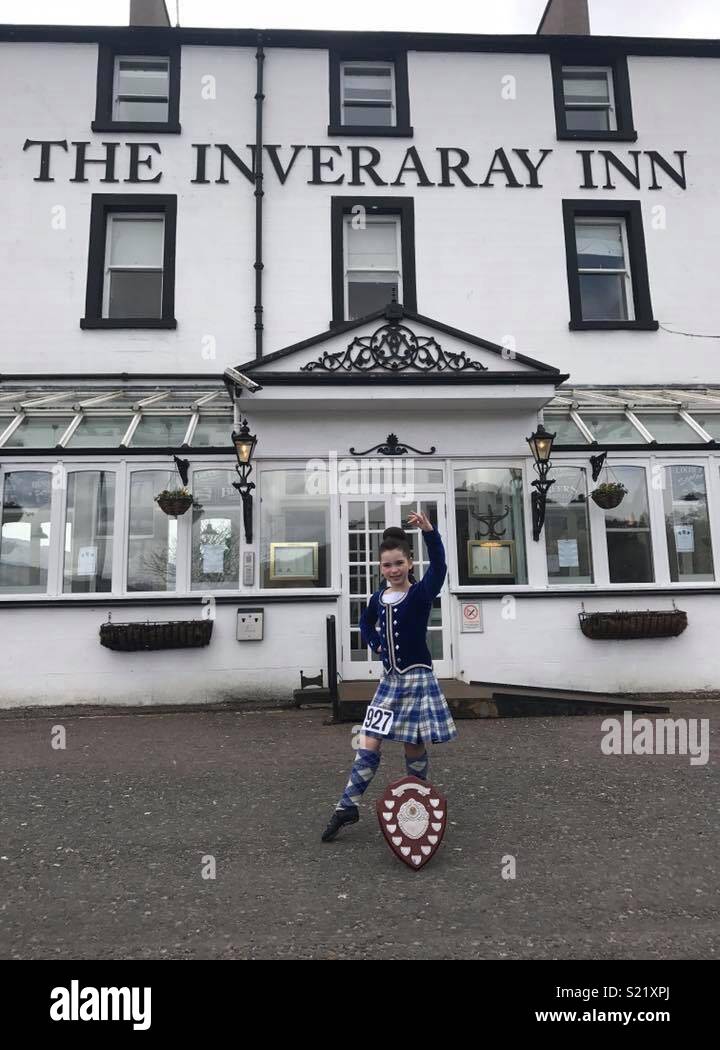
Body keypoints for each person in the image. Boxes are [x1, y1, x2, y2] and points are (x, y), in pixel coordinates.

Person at [321, 510, 457, 842]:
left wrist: (430, 533)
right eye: (387, 565)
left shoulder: (421, 594)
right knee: (369, 738)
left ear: (410, 563)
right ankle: (348, 806)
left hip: (416, 680)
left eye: (399, 563)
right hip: (389, 683)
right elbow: (365, 623)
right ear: (380, 568)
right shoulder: (377, 598)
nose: (393, 570)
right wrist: (376, 643)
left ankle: (420, 801)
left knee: (413, 744)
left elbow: (439, 566)